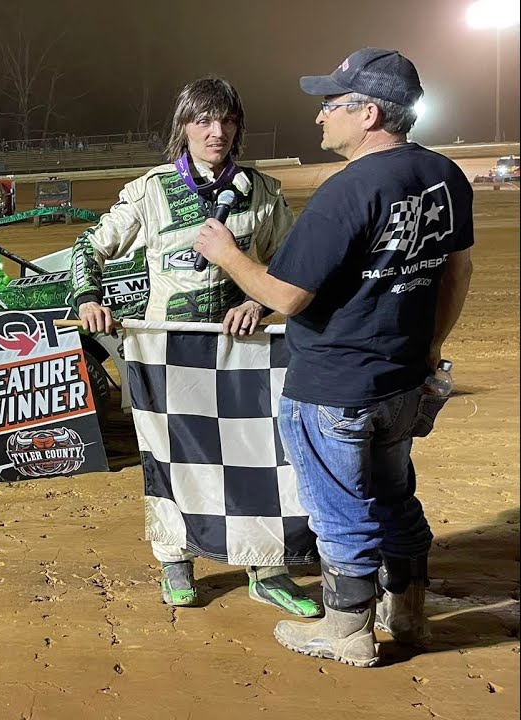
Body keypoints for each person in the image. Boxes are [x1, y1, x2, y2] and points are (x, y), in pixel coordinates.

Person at [192, 48, 474, 667]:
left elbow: (287, 296)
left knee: (341, 510)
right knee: (395, 497)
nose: (320, 116)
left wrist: (228, 255)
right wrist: (430, 347)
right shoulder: (443, 174)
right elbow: (458, 271)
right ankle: (408, 610)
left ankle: (346, 629)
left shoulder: (346, 191)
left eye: (331, 104)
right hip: (404, 380)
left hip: (334, 386)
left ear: (368, 113)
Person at [71, 77, 319, 617]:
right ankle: (175, 562)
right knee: (171, 459)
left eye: (226, 121)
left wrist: (259, 304)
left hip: (242, 352)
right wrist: (89, 297)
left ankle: (267, 570)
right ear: (183, 127)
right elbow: (88, 246)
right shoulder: (150, 191)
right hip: (171, 355)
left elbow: (294, 266)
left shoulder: (263, 193)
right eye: (203, 121)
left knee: (258, 458)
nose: (216, 132)